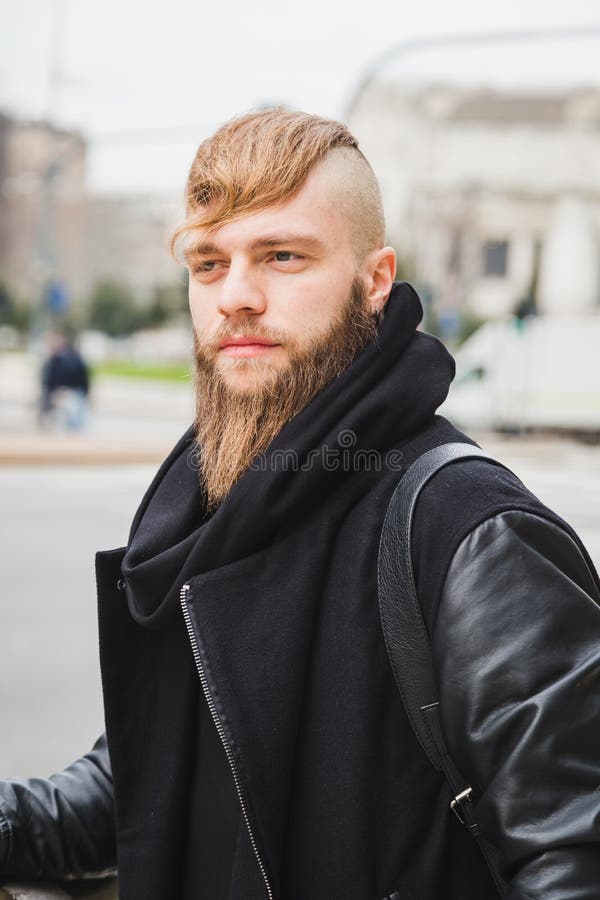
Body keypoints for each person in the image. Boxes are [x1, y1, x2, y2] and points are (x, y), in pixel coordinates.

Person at [1, 108, 599, 900]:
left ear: (375, 279)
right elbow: (140, 785)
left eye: (283, 255)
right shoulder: (207, 505)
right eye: (208, 263)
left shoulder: (472, 534)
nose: (236, 296)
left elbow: (568, 864)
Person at [39, 330, 90, 431]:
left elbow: (81, 376)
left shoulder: (69, 358)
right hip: (63, 394)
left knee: (73, 426)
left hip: (71, 393)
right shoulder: (55, 359)